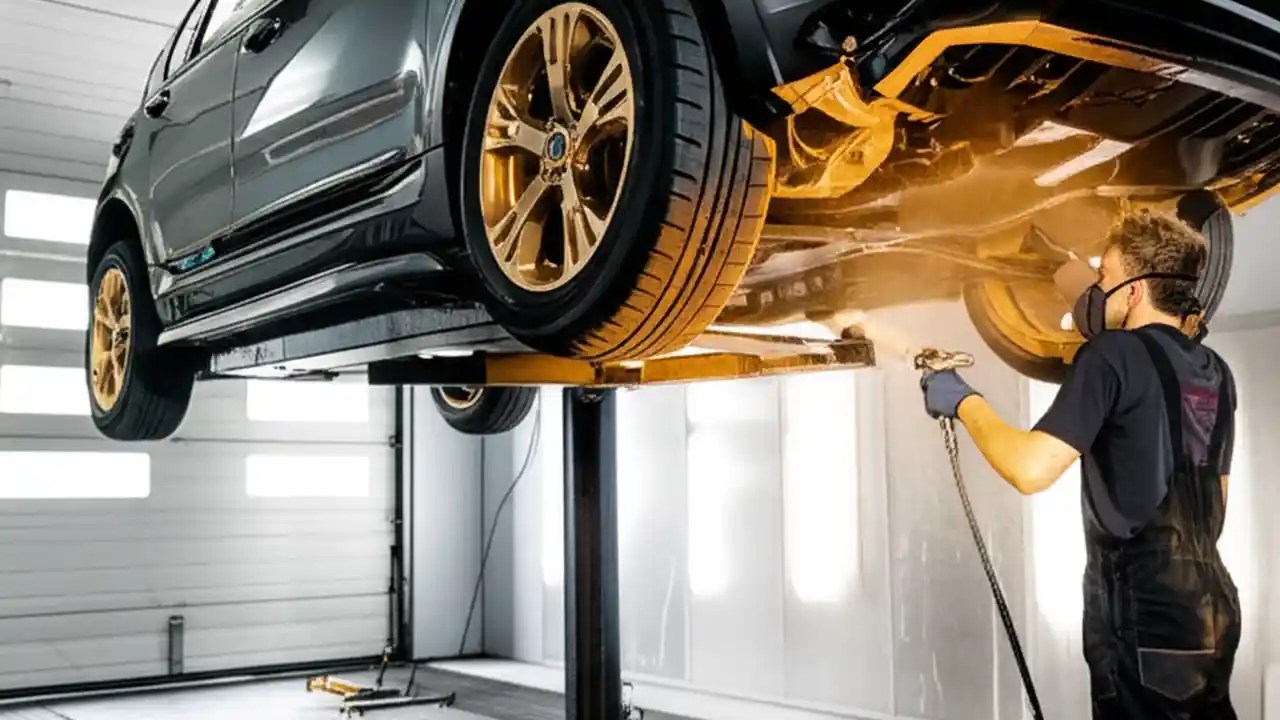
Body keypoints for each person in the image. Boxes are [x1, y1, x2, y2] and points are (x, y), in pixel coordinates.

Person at [921, 210, 1240, 719]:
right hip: (1210, 607)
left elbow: (1030, 469)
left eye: (1104, 277)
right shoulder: (1214, 371)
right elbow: (1216, 498)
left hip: (1145, 612)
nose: (1096, 289)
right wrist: (1056, 262)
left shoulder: (1112, 355)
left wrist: (963, 401)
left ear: (1134, 292)